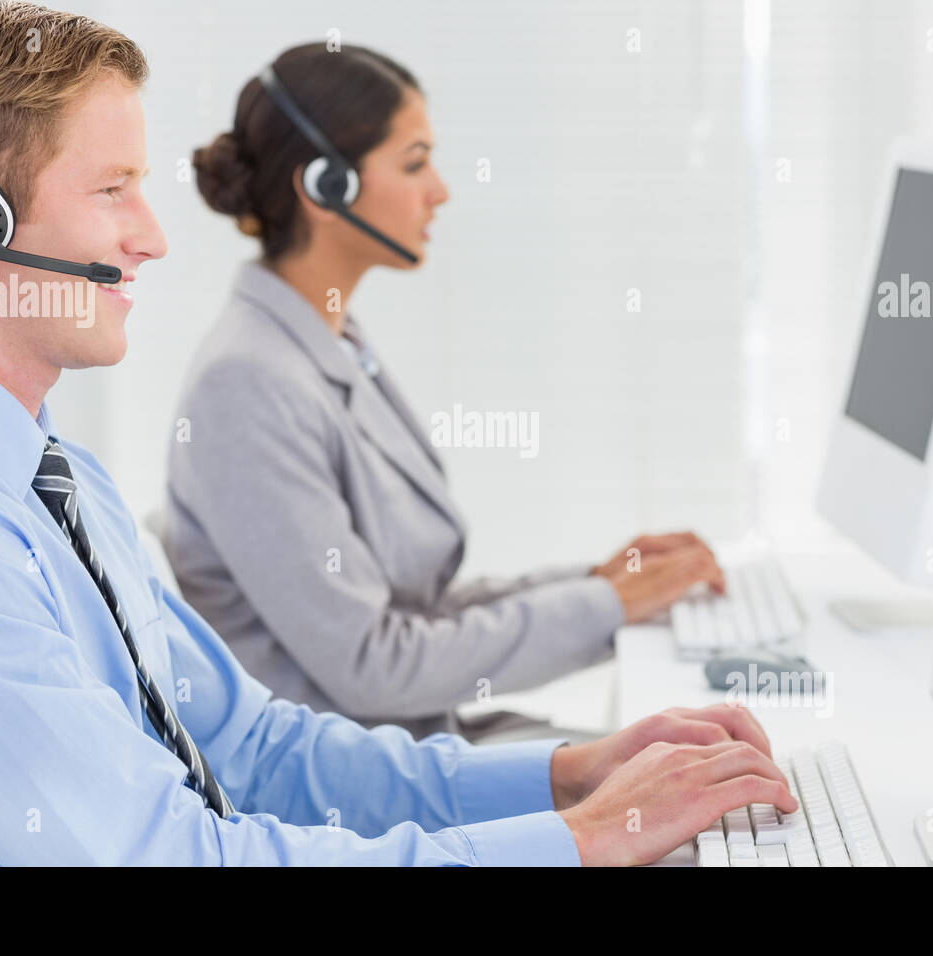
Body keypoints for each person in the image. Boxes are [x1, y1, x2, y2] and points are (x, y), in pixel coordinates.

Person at [0, 0, 795, 866]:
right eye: (111, 189)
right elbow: (166, 861)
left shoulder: (56, 478)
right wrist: (574, 846)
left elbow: (254, 751)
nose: (154, 236)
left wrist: (566, 779)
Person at [164, 42, 728, 738]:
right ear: (327, 186)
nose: (441, 190)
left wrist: (596, 584)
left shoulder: (329, 339)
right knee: (696, 782)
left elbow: (411, 608)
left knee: (702, 760)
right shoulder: (246, 384)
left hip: (412, 738)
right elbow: (373, 661)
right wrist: (607, 604)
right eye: (414, 162)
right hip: (358, 779)